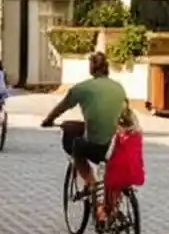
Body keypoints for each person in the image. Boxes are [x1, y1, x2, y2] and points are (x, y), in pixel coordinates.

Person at [40, 52, 127, 222]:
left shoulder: (81, 88)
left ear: (92, 68)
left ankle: (90, 181)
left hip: (97, 147)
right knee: (113, 168)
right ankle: (112, 207)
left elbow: (62, 107)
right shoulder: (119, 88)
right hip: (117, 144)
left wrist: (48, 120)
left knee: (77, 146)